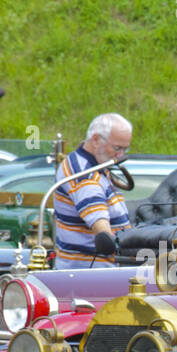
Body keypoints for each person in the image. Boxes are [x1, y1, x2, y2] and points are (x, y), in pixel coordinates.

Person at [52, 113, 133, 268]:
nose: (121, 155)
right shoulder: (85, 177)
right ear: (96, 140)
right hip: (91, 273)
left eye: (125, 149)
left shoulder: (92, 164)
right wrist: (108, 238)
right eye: (117, 148)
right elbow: (100, 225)